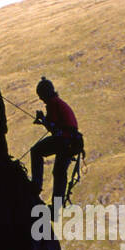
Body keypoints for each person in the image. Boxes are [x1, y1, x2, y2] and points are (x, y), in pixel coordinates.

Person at [30, 76, 81, 209]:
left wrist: (43, 119)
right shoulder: (58, 102)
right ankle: (56, 207)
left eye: (41, 95)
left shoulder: (53, 104)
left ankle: (36, 185)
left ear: (44, 94)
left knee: (36, 151)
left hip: (64, 140)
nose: (41, 99)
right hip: (71, 142)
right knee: (59, 173)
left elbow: (53, 128)